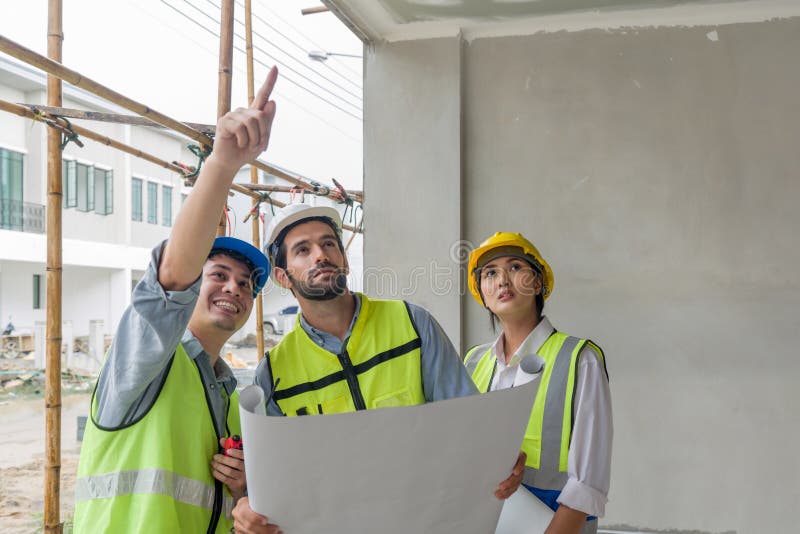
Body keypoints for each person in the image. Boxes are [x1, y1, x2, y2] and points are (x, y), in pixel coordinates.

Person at [230, 203, 526, 532]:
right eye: (303, 249)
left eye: (329, 244)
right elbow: (273, 483)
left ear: (342, 257)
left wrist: (500, 457)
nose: (320, 255)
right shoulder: (273, 374)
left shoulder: (413, 324)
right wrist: (245, 505)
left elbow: (469, 426)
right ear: (283, 275)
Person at [73, 67, 280, 533]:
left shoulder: (232, 396)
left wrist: (244, 490)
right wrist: (222, 165)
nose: (235, 288)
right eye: (219, 275)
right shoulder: (145, 362)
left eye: (247, 284)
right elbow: (170, 282)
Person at [464, 232, 612, 534]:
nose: (503, 279)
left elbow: (588, 484)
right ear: (482, 293)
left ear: (539, 282)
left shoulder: (580, 358)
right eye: (490, 273)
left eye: (516, 267)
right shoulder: (473, 363)